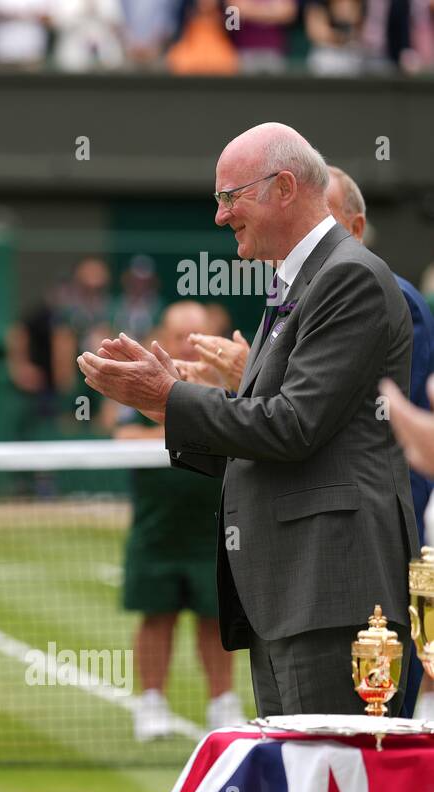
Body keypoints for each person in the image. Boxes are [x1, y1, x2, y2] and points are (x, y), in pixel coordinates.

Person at [79, 122, 419, 718]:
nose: (220, 216)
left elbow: (291, 427)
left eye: (230, 196)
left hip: (335, 596)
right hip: (295, 596)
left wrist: (172, 399)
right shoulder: (298, 282)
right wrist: (166, 402)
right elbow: (266, 434)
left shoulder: (347, 277)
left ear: (284, 187)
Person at [113, 302, 243, 740]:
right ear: (163, 338)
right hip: (158, 527)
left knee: (215, 616)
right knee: (157, 616)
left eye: (197, 335)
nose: (188, 344)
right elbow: (124, 435)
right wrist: (196, 429)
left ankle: (223, 702)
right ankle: (151, 703)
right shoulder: (145, 381)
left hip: (215, 524)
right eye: (178, 336)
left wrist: (193, 426)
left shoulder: (231, 382)